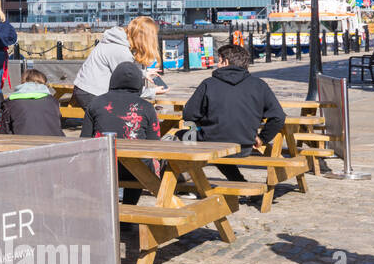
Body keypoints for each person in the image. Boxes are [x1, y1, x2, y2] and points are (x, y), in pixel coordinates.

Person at [183, 43, 285, 182]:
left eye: (219, 60)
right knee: (221, 141)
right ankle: (238, 181)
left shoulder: (209, 84)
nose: (217, 64)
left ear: (225, 62)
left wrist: (201, 125)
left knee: (182, 137)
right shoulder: (259, 85)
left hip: (211, 144)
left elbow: (189, 115)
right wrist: (263, 138)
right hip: (244, 146)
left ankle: (178, 181)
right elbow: (278, 117)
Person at [81, 61, 161, 204]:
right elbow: (154, 144)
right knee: (141, 161)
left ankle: (107, 208)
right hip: (137, 171)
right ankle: (129, 211)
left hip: (103, 167)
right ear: (139, 83)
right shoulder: (147, 107)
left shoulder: (95, 103)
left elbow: (84, 140)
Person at [72, 16, 159, 108]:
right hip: (93, 94)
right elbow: (127, 87)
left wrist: (144, 73)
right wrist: (153, 91)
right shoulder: (122, 51)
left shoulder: (114, 40)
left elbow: (122, 71)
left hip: (84, 88)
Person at [0, 69, 64, 136]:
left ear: (23, 82)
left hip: (24, 143)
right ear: (43, 83)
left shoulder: (10, 103)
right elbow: (58, 125)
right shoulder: (53, 101)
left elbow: (4, 132)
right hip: (56, 142)